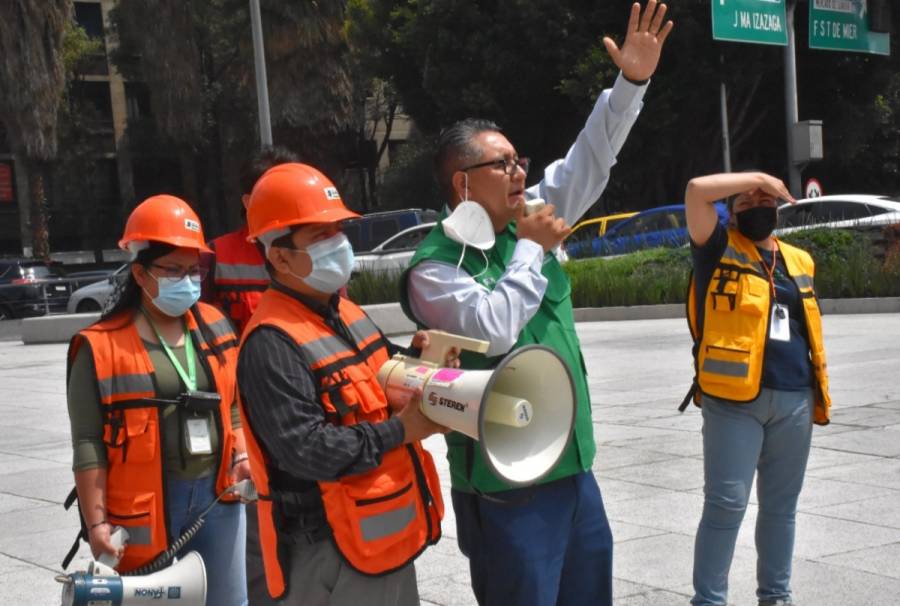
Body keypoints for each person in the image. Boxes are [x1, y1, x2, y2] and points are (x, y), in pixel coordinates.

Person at [399, 2, 673, 604]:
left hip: (572, 466)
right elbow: (491, 330)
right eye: (502, 163)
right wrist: (529, 251)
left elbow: (590, 159)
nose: (519, 171)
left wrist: (631, 83)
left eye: (518, 159)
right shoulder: (436, 265)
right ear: (462, 184)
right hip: (506, 484)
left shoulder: (529, 218)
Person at [236, 162, 447, 605]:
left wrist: (417, 359)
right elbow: (306, 449)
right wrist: (400, 431)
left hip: (379, 536)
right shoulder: (270, 343)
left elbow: (377, 377)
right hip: (327, 552)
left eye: (338, 232)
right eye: (320, 237)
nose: (339, 245)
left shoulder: (344, 311)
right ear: (279, 256)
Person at [64, 195, 250, 606]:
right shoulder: (97, 347)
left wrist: (240, 457)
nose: (187, 279)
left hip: (219, 497)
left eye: (193, 270)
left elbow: (232, 403)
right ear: (140, 273)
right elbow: (88, 442)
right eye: (173, 270)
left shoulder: (216, 326)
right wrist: (96, 523)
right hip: (143, 508)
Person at [681, 171, 832, 606]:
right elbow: (695, 191)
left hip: (795, 398)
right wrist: (759, 176)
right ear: (731, 211)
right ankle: (709, 601)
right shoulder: (716, 248)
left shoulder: (798, 260)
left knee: (781, 509)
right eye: (746, 201)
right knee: (726, 505)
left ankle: (776, 598)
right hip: (733, 402)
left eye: (766, 199)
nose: (757, 205)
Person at [200, 144, 299, 606]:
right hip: (245, 417)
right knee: (257, 531)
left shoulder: (314, 250)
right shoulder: (217, 256)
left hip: (303, 407)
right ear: (246, 200)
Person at [202, 145, 299, 335]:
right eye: (275, 194)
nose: (286, 202)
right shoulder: (214, 256)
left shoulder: (321, 250)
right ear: (248, 202)